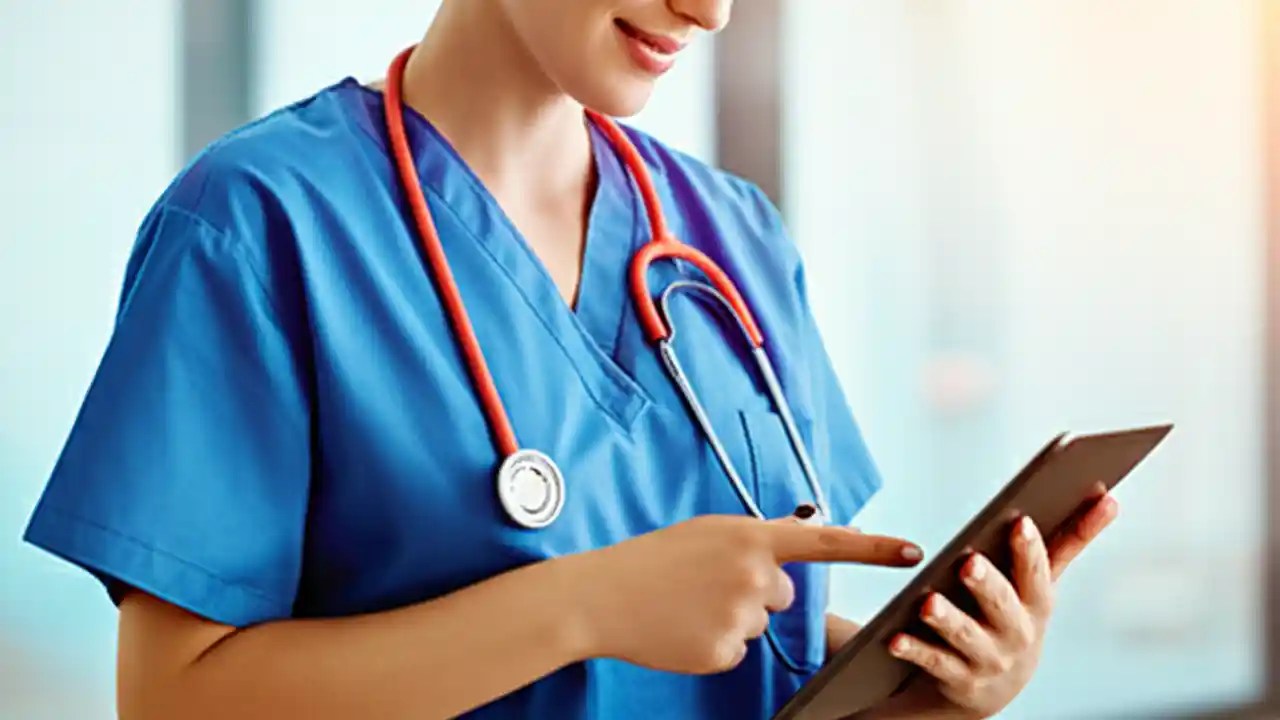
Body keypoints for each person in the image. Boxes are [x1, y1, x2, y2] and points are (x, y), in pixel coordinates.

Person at [23, 1, 1118, 718]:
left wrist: (942, 678)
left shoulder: (730, 236)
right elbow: (174, 701)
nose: (711, 9)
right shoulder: (259, 221)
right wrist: (579, 608)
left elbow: (755, 646)